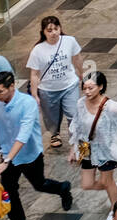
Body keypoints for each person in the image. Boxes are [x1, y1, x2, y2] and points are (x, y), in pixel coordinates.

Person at [0, 70, 74, 220]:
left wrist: (7, 161)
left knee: (39, 184)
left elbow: (24, 134)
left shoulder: (27, 103)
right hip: (8, 155)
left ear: (11, 87)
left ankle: (63, 188)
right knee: (9, 191)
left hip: (29, 155)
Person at [67, 72, 117, 209]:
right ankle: (113, 186)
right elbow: (77, 126)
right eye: (84, 88)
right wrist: (73, 149)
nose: (87, 91)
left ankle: (115, 209)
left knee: (107, 181)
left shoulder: (110, 107)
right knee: (87, 184)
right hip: (87, 148)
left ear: (101, 87)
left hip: (106, 150)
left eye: (91, 88)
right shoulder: (80, 104)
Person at [26, 15, 85, 153]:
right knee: (51, 117)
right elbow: (34, 74)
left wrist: (82, 73)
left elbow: (77, 58)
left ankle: (76, 142)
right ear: (43, 32)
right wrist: (35, 95)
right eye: (49, 30)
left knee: (73, 113)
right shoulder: (38, 50)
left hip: (69, 85)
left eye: (56, 29)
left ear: (60, 28)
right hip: (48, 89)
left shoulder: (69, 41)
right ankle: (54, 133)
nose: (53, 33)